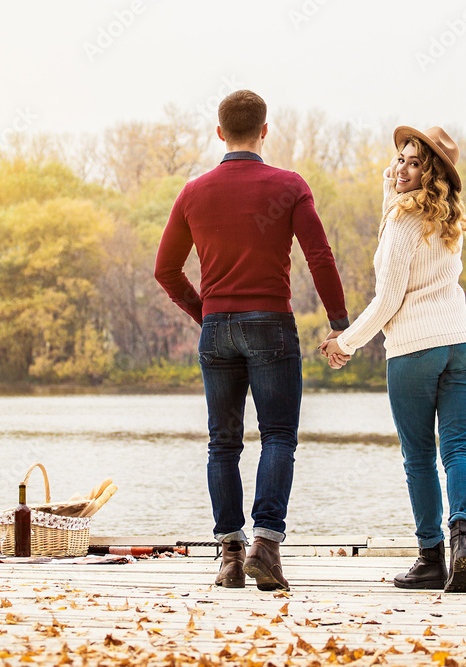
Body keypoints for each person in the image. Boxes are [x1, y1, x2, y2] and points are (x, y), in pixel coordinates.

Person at [154, 90, 349, 591]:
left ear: (220, 133)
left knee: (223, 443)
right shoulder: (288, 186)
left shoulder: (193, 192)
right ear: (265, 130)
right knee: (278, 436)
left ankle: (229, 555)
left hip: (218, 328)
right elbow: (320, 257)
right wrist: (339, 322)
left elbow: (165, 270)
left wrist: (206, 314)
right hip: (271, 325)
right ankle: (266, 545)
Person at [320, 125, 466, 593]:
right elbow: (394, 221)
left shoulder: (402, 222)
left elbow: (388, 298)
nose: (402, 168)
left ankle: (431, 558)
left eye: (415, 163)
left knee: (419, 458)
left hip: (416, 349)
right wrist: (391, 184)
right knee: (458, 450)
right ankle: (463, 540)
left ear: (429, 174)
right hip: (463, 346)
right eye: (401, 159)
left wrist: (345, 343)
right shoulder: (450, 220)